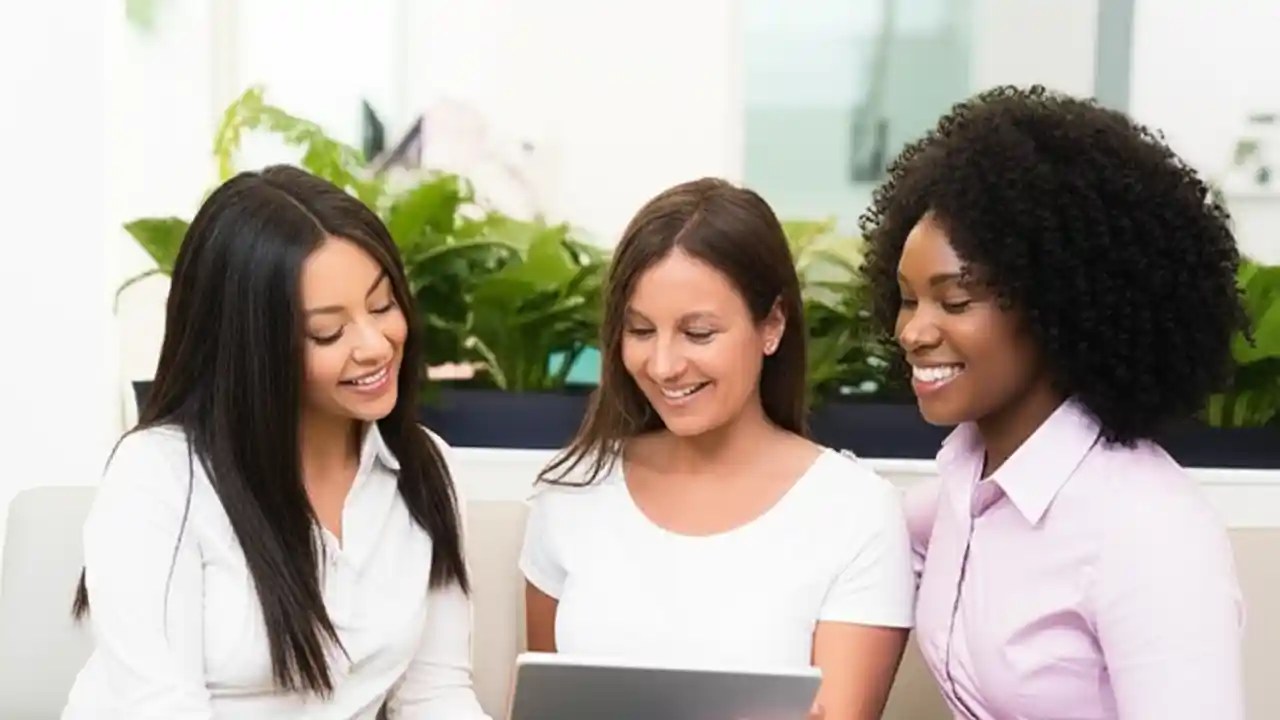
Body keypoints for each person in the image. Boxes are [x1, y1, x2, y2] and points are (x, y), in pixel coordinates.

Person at [860, 85, 1247, 719]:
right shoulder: (962, 490)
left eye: (955, 301)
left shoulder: (1146, 530)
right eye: (907, 298)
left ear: (1055, 308)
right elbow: (857, 535)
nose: (914, 331)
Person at [63, 165, 490, 719]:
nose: (375, 346)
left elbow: (436, 697)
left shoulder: (425, 467)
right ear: (252, 347)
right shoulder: (160, 476)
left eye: (383, 306)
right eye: (328, 332)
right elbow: (162, 709)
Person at [519, 177, 916, 719]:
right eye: (639, 330)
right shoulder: (572, 491)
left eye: (698, 333)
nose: (662, 365)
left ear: (771, 324)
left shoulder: (855, 512)